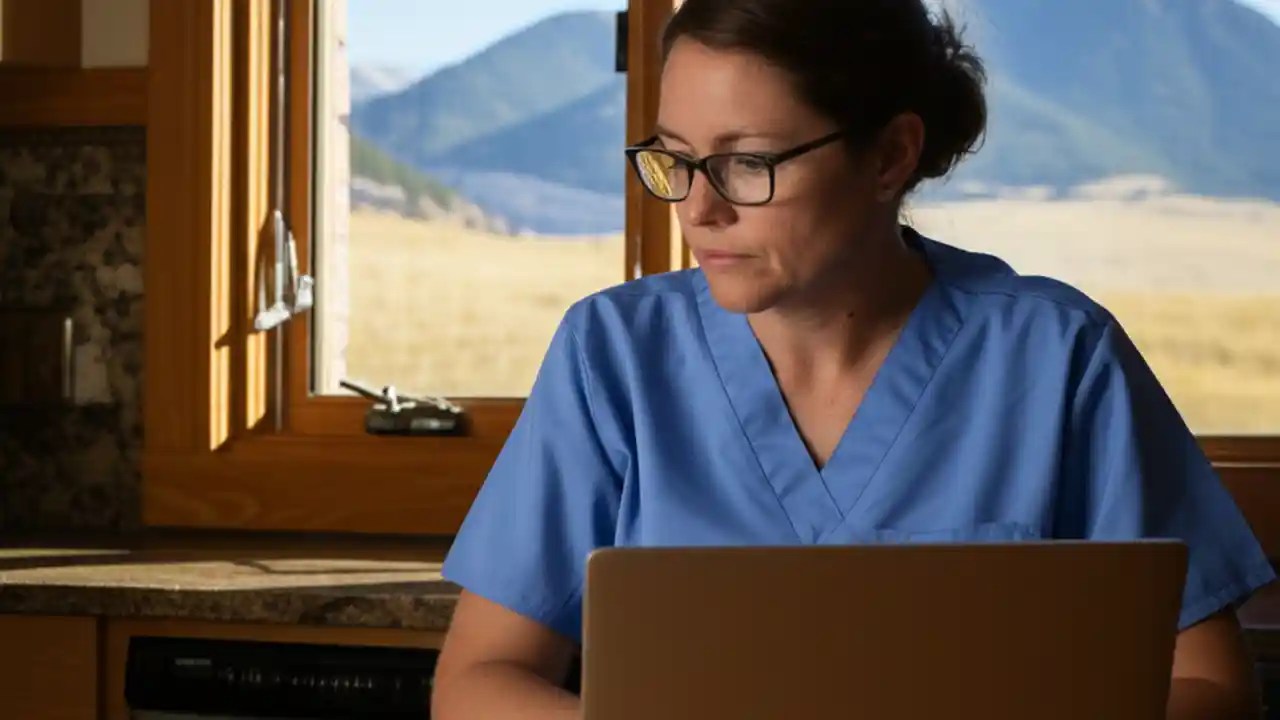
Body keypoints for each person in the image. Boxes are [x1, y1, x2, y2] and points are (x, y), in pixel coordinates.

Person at [430, 0, 1277, 717]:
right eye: (677, 160)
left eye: (746, 163)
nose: (698, 209)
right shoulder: (613, 355)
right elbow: (476, 681)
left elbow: (1207, 680)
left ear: (889, 156)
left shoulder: (1059, 357)